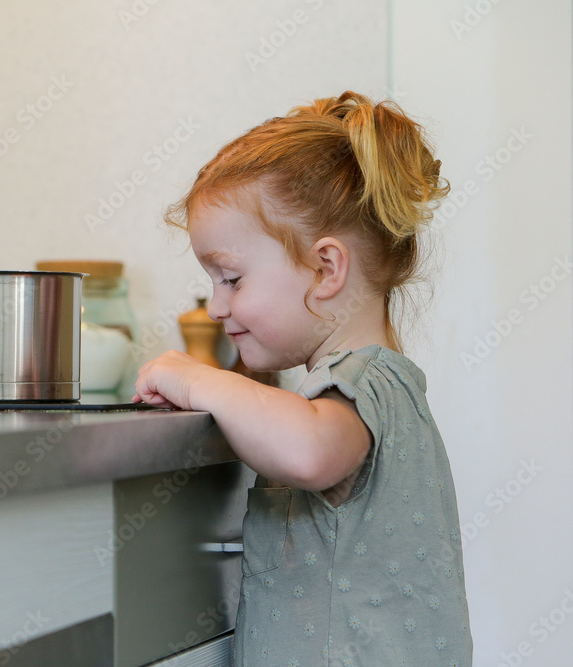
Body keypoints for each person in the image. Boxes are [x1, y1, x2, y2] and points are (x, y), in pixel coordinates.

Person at [133, 91, 472, 666]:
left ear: (326, 268)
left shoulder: (365, 382)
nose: (216, 306)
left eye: (232, 279)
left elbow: (310, 452)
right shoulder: (380, 384)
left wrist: (195, 379)